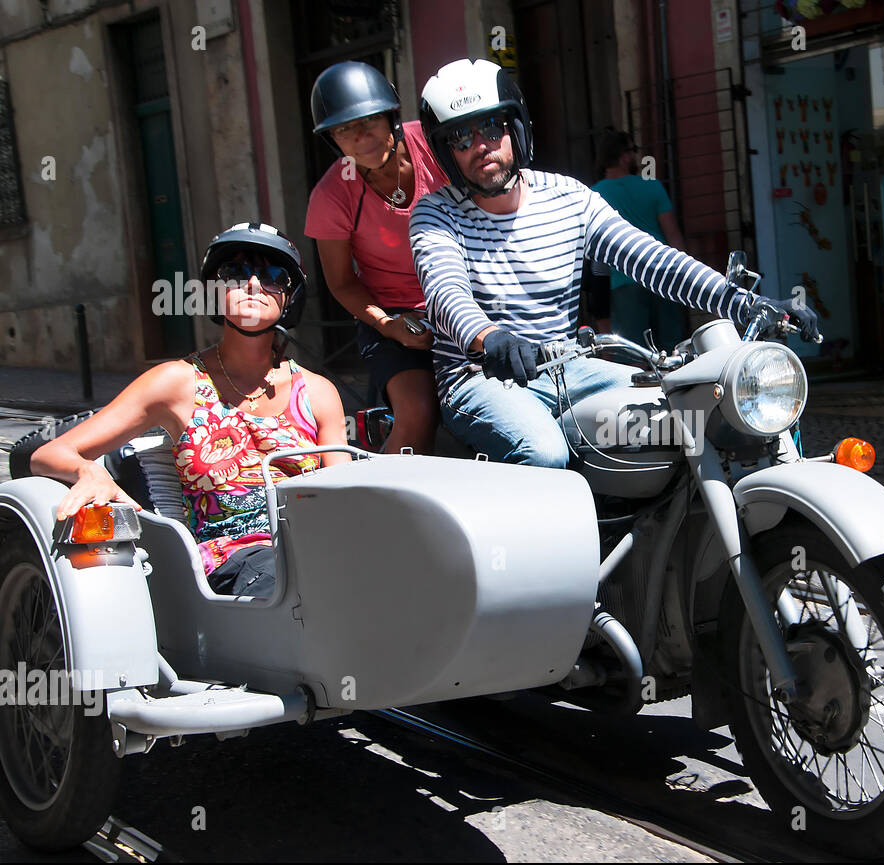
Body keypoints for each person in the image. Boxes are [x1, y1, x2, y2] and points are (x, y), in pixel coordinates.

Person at [409, 58, 820, 468]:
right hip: (479, 380)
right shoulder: (436, 214)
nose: (481, 145)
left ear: (515, 128)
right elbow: (446, 293)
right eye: (462, 137)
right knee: (544, 451)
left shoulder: (569, 197)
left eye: (493, 127)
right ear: (447, 151)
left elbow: (651, 259)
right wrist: (489, 337)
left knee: (684, 414)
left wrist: (745, 302)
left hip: (567, 369)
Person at [31, 223, 349, 597]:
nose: (252, 284)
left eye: (273, 276)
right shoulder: (177, 382)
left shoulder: (317, 391)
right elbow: (48, 453)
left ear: (290, 297)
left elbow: (343, 498)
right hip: (234, 563)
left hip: (317, 555)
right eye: (234, 273)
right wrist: (91, 472)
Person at [305, 61, 450, 454]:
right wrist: (388, 324)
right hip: (394, 314)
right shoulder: (332, 195)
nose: (360, 138)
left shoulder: (437, 145)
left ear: (391, 117)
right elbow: (341, 282)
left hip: (467, 297)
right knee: (418, 412)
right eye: (344, 130)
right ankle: (375, 505)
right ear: (333, 140)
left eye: (368, 121)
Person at [591, 128, 687, 346]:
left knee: (634, 355)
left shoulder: (594, 194)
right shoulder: (652, 186)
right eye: (633, 151)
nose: (636, 156)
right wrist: (684, 281)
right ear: (624, 157)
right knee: (673, 351)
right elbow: (674, 236)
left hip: (623, 281)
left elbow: (595, 253)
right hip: (664, 278)